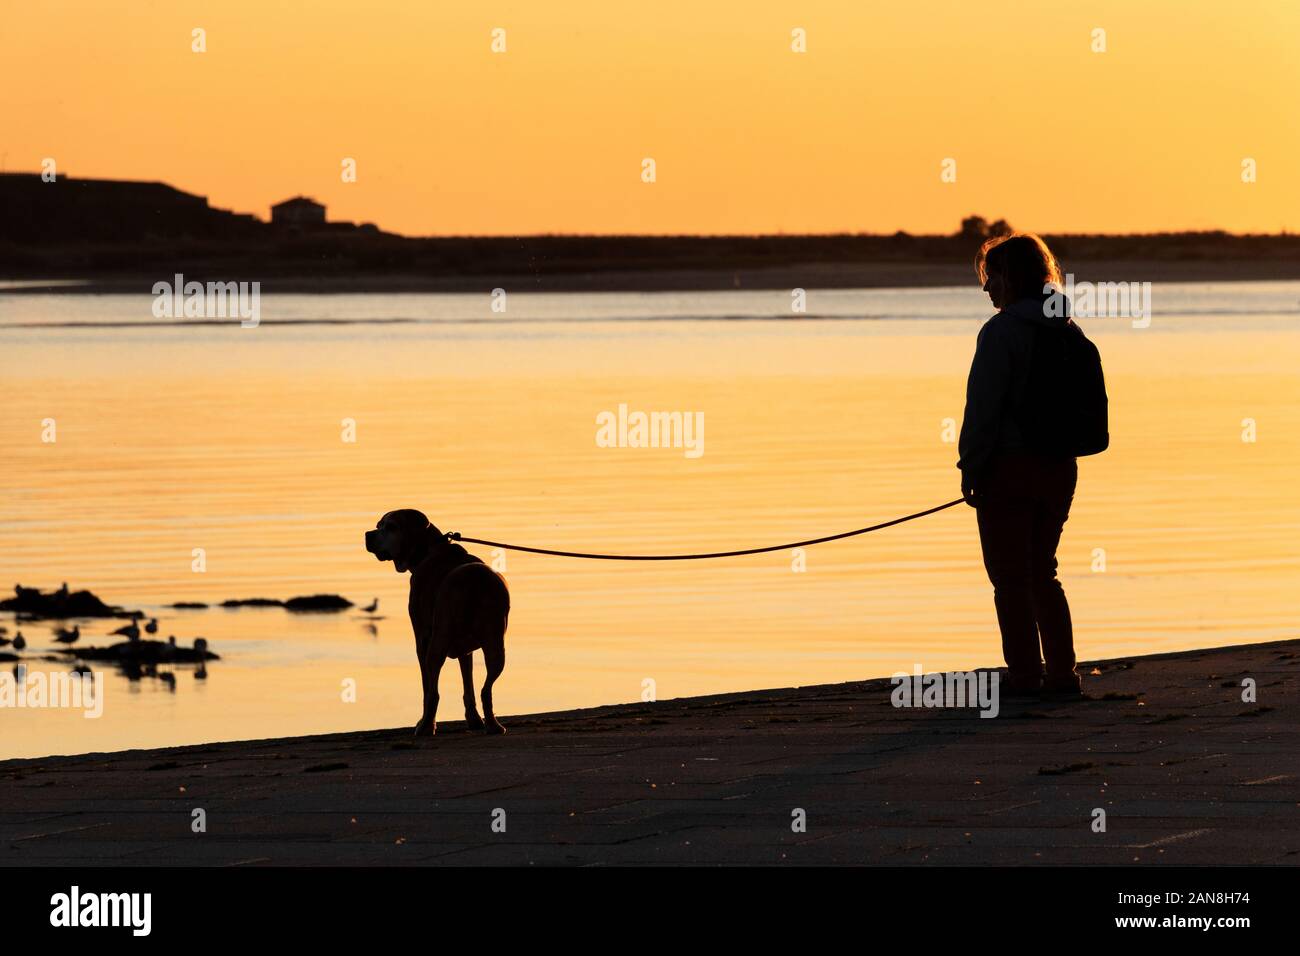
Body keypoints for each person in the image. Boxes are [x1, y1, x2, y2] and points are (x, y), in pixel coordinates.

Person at [958, 233, 1082, 698]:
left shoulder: (1001, 332)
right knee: (1042, 572)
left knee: (1010, 579)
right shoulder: (1067, 328)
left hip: (1009, 469)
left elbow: (983, 409)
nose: (986, 289)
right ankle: (1063, 674)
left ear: (1009, 279)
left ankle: (1027, 676)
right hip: (1059, 468)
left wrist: (971, 469)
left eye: (990, 278)